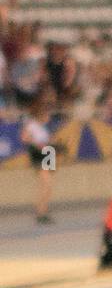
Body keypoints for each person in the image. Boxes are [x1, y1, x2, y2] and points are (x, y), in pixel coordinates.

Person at [20, 94, 57, 224]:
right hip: (40, 154)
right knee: (46, 185)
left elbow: (47, 140)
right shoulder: (32, 124)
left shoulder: (43, 127)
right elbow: (24, 137)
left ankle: (43, 210)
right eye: (46, 114)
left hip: (47, 153)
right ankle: (41, 212)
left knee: (47, 186)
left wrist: (51, 143)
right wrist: (37, 144)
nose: (48, 117)